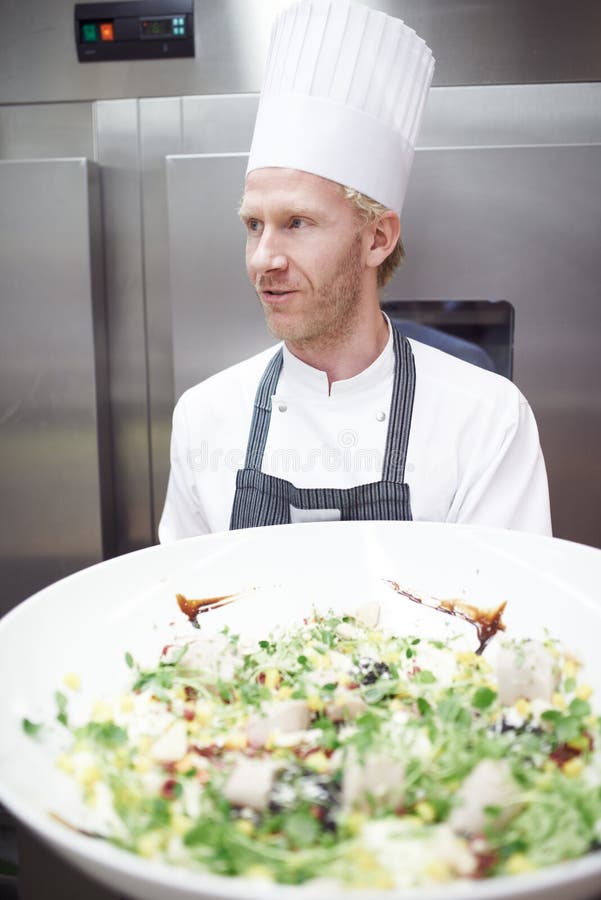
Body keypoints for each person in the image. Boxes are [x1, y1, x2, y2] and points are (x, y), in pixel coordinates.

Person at [159, 0, 551, 541]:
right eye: (254, 224)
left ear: (377, 238)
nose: (263, 258)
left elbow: (503, 592)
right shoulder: (204, 416)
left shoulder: (485, 420)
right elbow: (186, 590)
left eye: (297, 222)